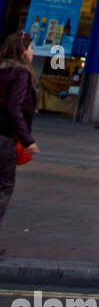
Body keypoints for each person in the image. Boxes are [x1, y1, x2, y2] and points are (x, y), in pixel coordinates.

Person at [0, 30, 39, 249]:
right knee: (4, 187)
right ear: (22, 51)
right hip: (4, 136)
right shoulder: (21, 74)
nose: (33, 53)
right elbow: (14, 108)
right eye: (31, 48)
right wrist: (27, 139)